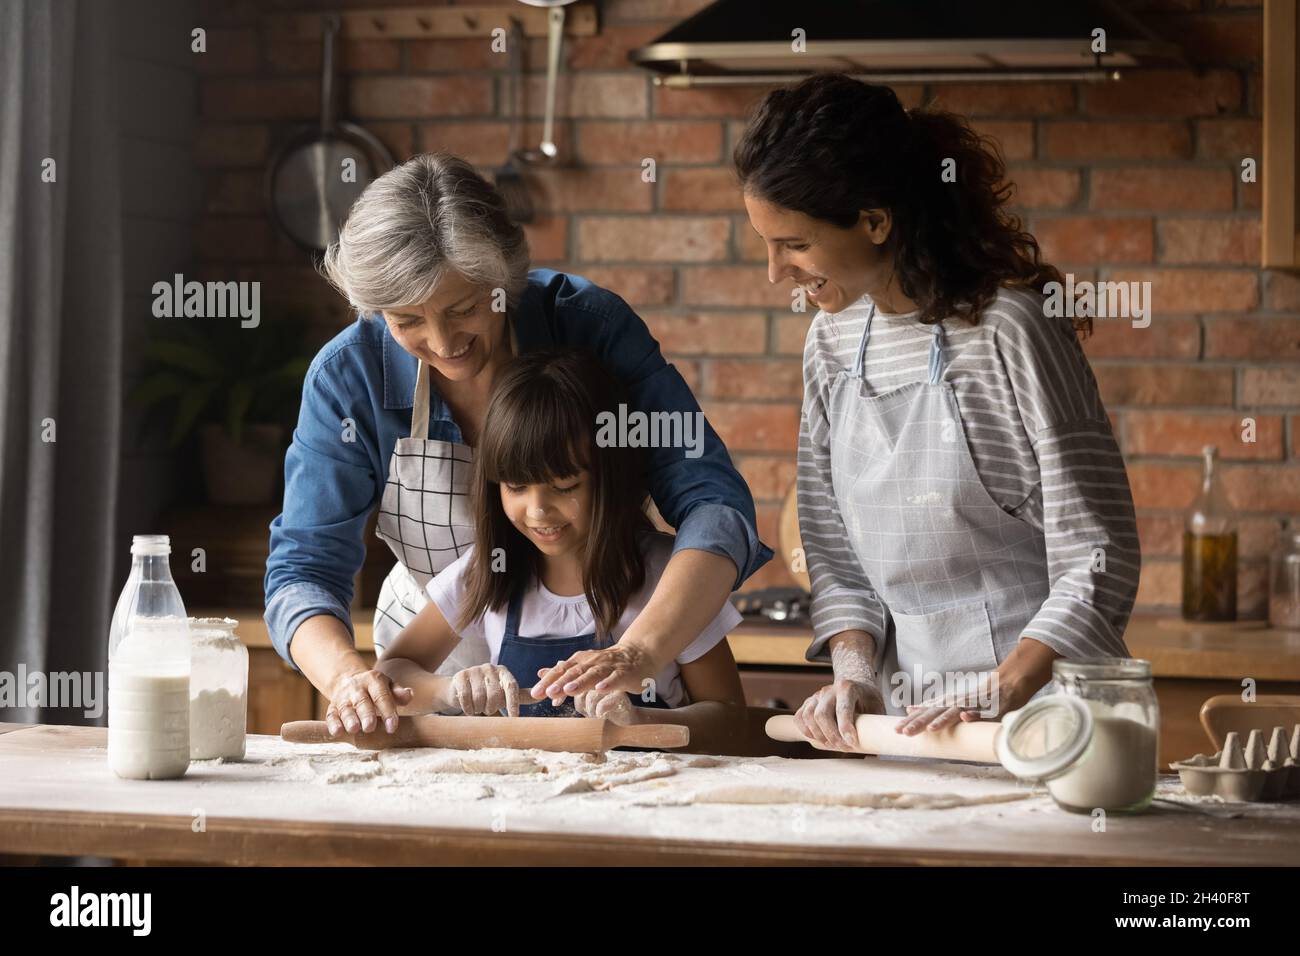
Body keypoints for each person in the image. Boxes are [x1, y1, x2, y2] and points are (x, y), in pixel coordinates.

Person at [264, 152, 771, 738]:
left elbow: (713, 504)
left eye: (464, 308)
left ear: (505, 276)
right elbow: (303, 567)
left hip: (623, 648)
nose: (444, 342)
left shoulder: (589, 327)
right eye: (407, 322)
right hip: (428, 678)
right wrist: (351, 680)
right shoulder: (347, 377)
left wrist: (639, 653)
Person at [733, 74, 1140, 749]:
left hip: (1041, 724)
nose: (776, 273)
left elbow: (1098, 553)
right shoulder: (831, 341)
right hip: (904, 729)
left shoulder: (1011, 330)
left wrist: (1007, 689)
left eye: (794, 245)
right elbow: (832, 549)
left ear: (874, 220)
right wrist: (853, 673)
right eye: (768, 245)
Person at [375, 349, 747, 754]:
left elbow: (731, 718)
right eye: (516, 487)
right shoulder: (488, 571)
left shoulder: (670, 575)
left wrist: (641, 723)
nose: (537, 511)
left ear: (610, 476)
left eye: (565, 486)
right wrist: (451, 689)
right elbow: (393, 672)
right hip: (528, 806)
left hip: (646, 802)